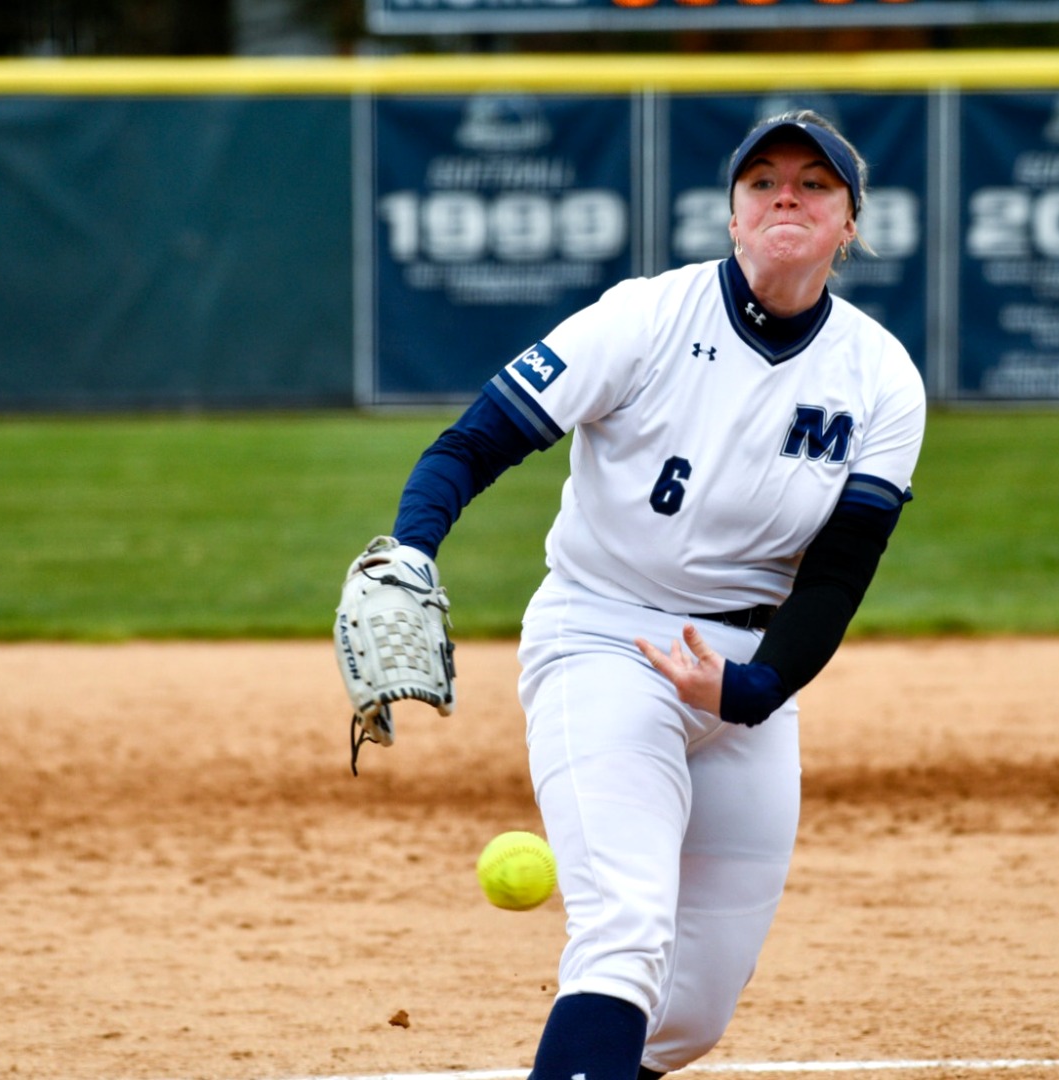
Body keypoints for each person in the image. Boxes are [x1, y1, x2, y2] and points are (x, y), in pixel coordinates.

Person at [374, 110, 926, 1080]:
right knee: (624, 931)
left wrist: (752, 693)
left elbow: (840, 572)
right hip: (606, 642)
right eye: (763, 183)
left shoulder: (881, 378)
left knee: (691, 1015)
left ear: (849, 223)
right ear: (732, 218)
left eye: (814, 183)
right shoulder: (644, 317)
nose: (785, 196)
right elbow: (472, 443)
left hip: (752, 679)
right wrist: (411, 549)